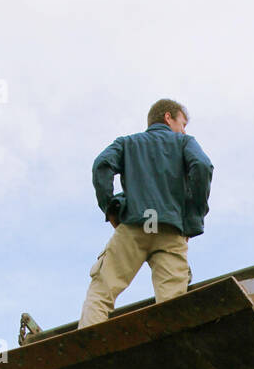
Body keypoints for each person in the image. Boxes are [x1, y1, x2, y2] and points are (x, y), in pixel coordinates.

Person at [78, 99, 214, 328]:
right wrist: (192, 217)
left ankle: (87, 351)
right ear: (168, 117)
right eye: (182, 123)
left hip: (133, 227)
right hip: (171, 232)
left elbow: (101, 164)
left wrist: (110, 208)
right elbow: (202, 166)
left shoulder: (128, 143)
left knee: (102, 291)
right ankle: (171, 356)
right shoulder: (184, 142)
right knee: (172, 305)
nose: (184, 130)